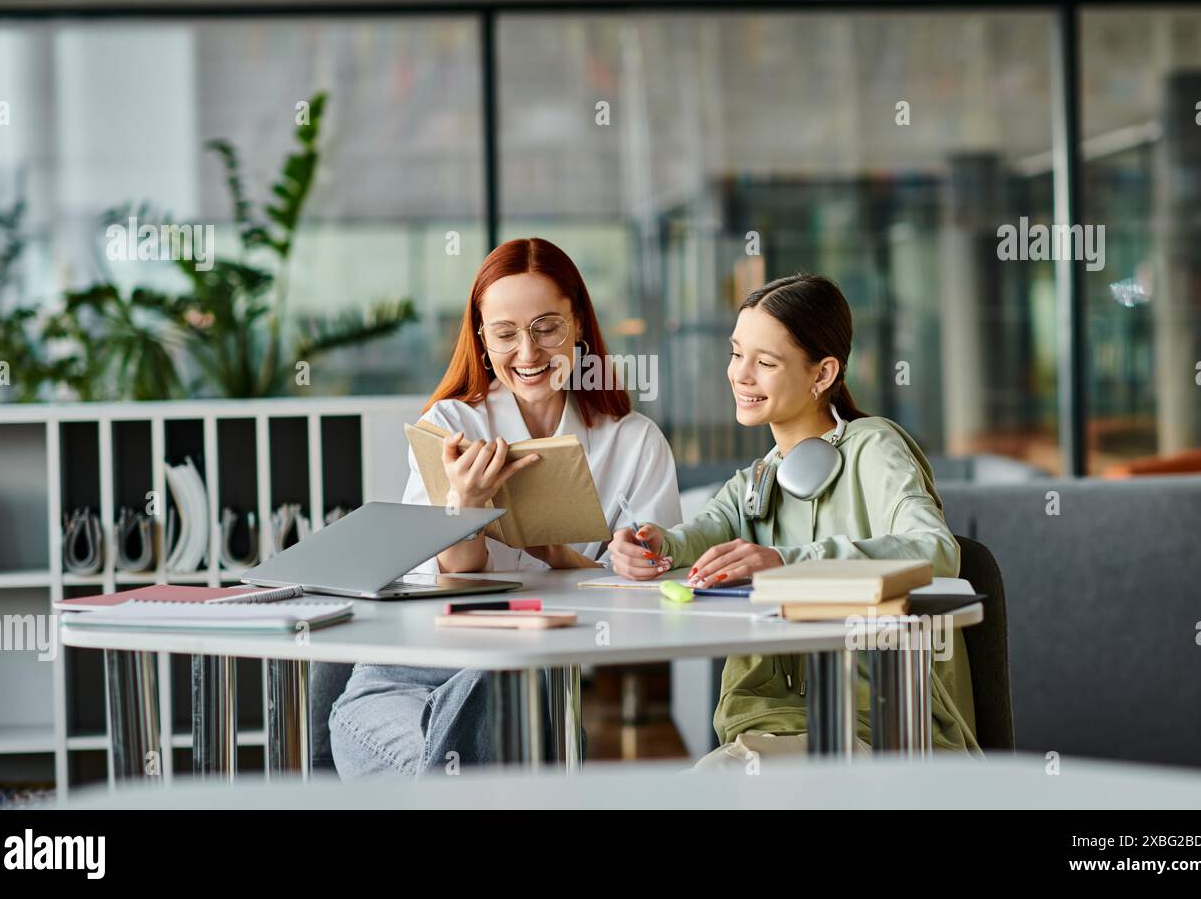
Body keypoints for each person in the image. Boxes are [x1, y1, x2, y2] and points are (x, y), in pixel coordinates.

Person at [331, 237, 682, 778]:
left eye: (547, 328)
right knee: (474, 763)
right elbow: (446, 582)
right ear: (481, 336)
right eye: (505, 333)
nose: (528, 353)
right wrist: (466, 508)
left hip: (526, 681)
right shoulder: (448, 426)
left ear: (580, 325)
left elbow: (655, 601)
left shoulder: (634, 442)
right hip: (408, 675)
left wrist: (589, 559)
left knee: (472, 750)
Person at [608, 272, 982, 767]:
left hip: (885, 726)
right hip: (775, 722)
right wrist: (652, 546)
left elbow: (937, 550)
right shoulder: (756, 480)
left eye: (764, 362)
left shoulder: (875, 447)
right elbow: (696, 537)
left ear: (822, 374)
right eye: (736, 353)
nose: (741, 374)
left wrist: (786, 562)